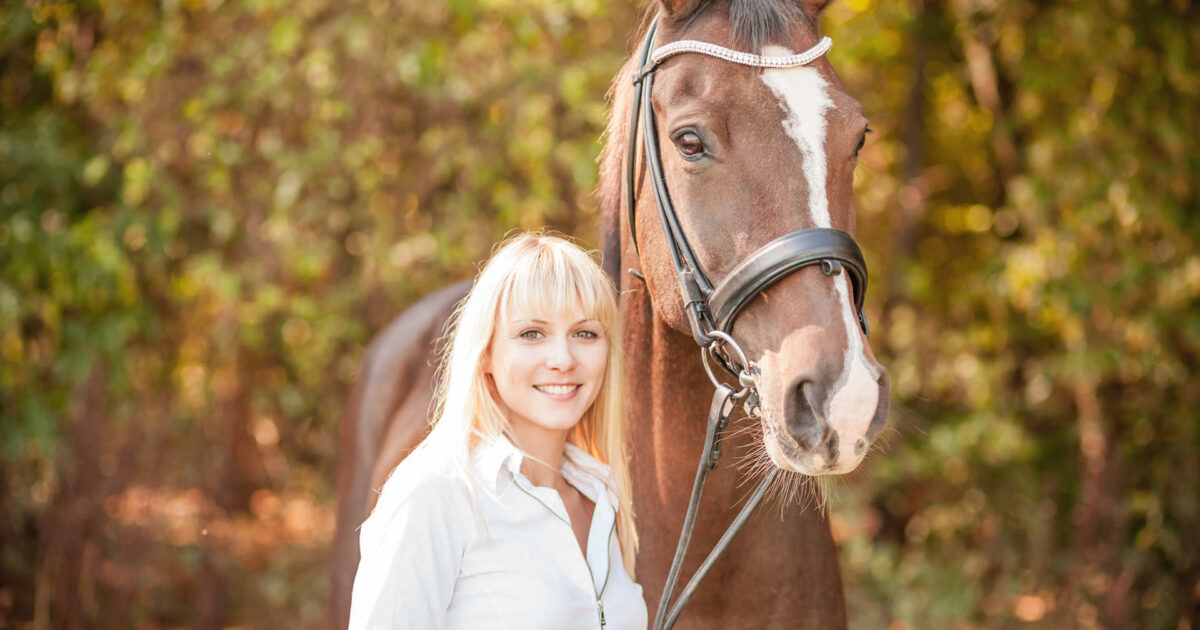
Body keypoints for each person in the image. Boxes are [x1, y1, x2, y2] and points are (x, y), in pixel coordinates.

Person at [348, 233, 646, 629]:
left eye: (584, 334)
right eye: (532, 334)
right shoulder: (438, 494)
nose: (563, 359)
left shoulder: (601, 496)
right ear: (486, 353)